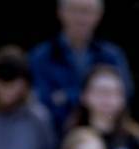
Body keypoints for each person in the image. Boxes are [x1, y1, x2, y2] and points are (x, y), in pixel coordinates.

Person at [28, 0, 133, 135]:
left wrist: (65, 97)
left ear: (99, 15)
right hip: (53, 137)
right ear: (60, 12)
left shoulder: (112, 56)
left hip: (105, 136)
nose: (81, 18)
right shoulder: (41, 57)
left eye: (87, 11)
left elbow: (123, 97)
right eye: (75, 10)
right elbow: (40, 103)